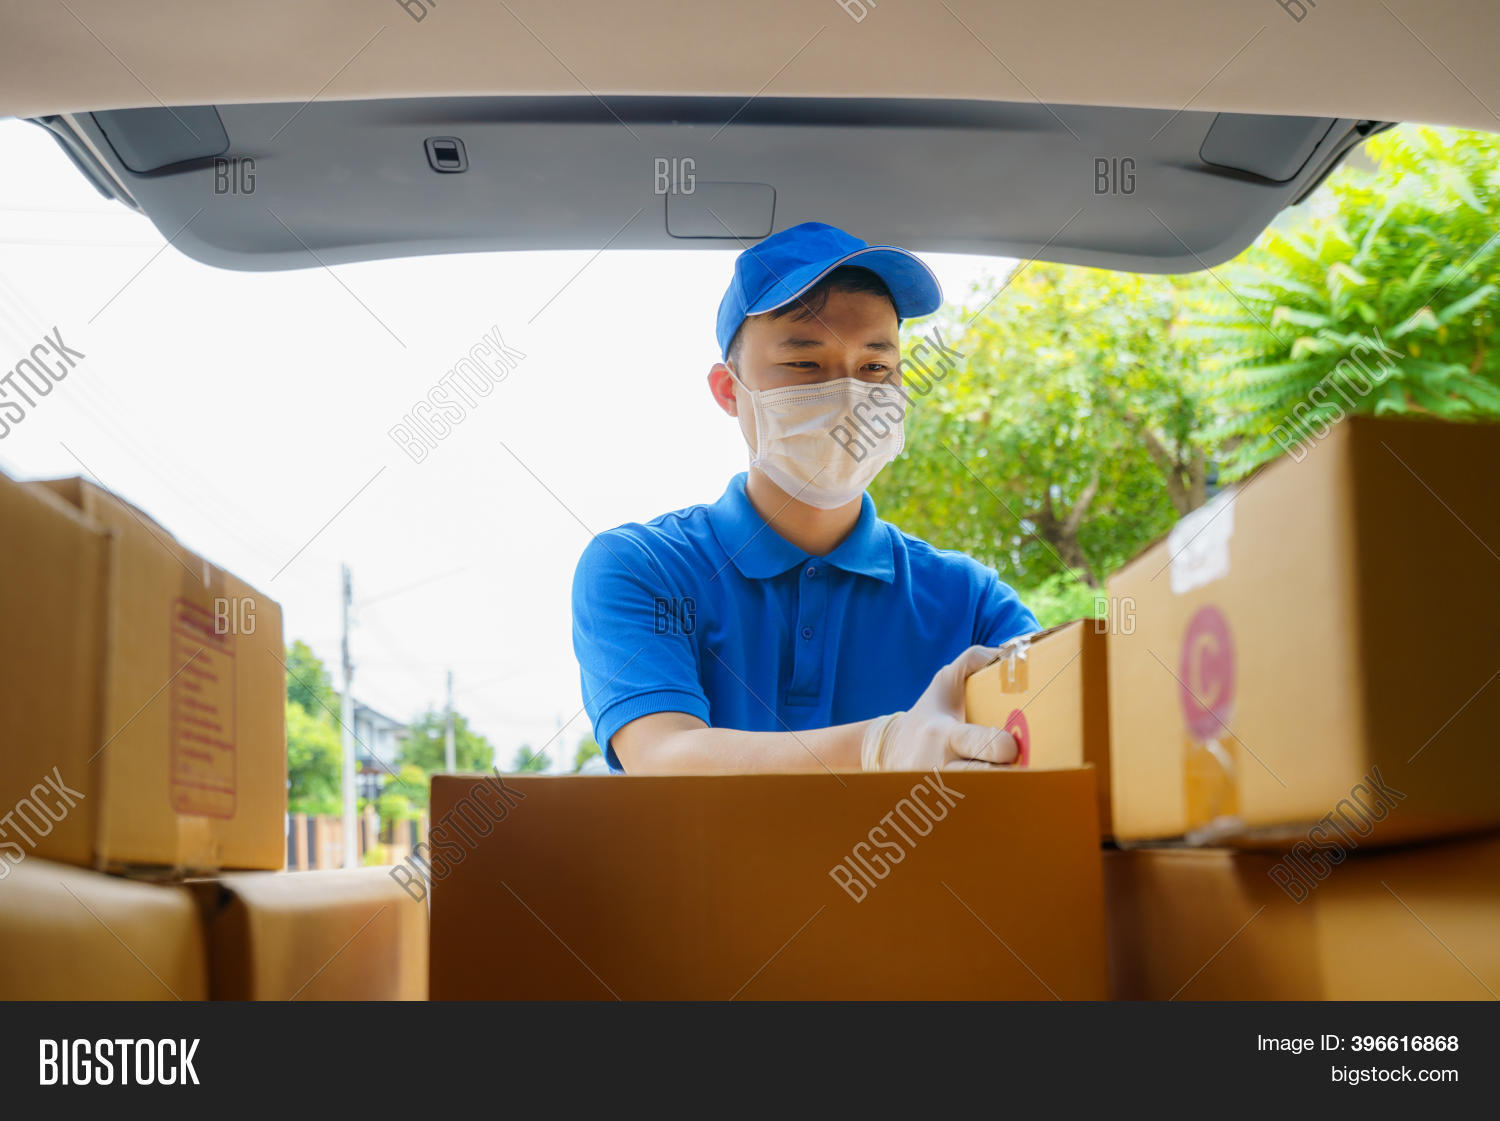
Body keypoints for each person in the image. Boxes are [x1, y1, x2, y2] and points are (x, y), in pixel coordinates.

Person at [571, 221, 1039, 774]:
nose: (849, 395)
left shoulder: (970, 601)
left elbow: (1065, 723)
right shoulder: (644, 569)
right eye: (804, 364)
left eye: (874, 368)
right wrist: (881, 746)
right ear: (729, 391)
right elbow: (666, 756)